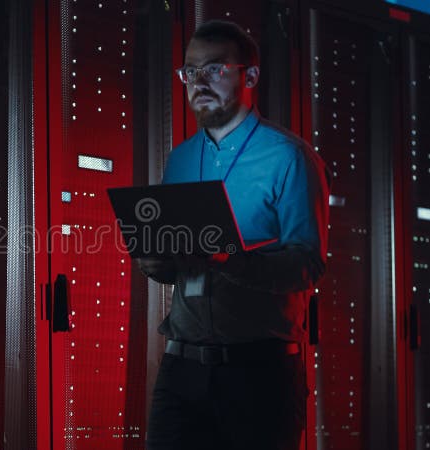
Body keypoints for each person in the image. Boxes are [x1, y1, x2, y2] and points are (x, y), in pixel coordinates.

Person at [138, 20, 330, 450]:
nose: (199, 82)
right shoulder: (181, 159)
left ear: (251, 76)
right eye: (190, 71)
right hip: (181, 370)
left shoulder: (290, 158)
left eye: (214, 70)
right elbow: (180, 263)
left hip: (259, 375)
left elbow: (308, 262)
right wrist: (158, 264)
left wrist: (231, 261)